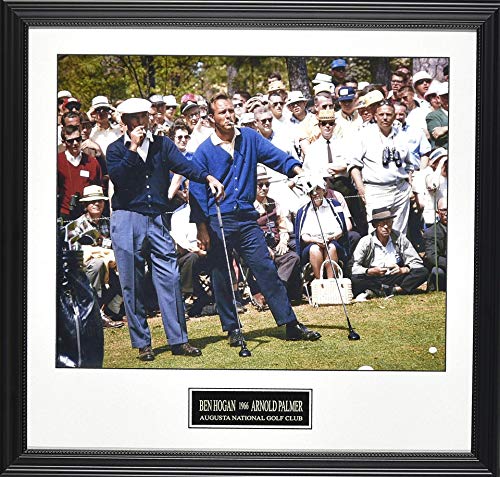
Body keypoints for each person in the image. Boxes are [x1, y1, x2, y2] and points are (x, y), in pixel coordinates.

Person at [189, 93, 321, 347]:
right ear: (211, 118)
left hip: (247, 219)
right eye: (222, 112)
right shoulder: (204, 151)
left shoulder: (248, 138)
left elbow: (276, 156)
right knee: (223, 275)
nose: (228, 116)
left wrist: (299, 171)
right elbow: (196, 192)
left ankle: (290, 324)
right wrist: (201, 227)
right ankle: (232, 329)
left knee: (266, 269)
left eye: (230, 111)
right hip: (219, 220)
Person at [106, 97, 224, 361]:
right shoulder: (115, 150)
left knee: (170, 276)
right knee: (132, 281)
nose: (140, 123)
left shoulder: (162, 144)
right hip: (127, 218)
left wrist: (207, 177)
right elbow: (120, 179)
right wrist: (133, 149)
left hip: (157, 218)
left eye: (143, 117)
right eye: (134, 118)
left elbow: (184, 165)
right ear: (125, 122)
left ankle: (179, 340)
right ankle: (142, 343)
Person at [347, 100, 413, 234]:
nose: (385, 118)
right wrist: (361, 189)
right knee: (378, 231)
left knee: (399, 232)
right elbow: (354, 165)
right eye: (381, 114)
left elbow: (409, 164)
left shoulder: (401, 135)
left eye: (389, 114)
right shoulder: (364, 135)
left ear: (394, 116)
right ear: (375, 116)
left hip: (400, 189)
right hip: (376, 190)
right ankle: (377, 256)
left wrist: (410, 185)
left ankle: (397, 255)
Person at [73, 185, 124, 329]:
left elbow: (117, 244)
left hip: (111, 265)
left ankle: (111, 309)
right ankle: (95, 314)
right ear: (85, 205)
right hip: (85, 268)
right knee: (97, 264)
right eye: (92, 201)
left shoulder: (108, 222)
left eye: (100, 201)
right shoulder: (76, 225)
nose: (96, 204)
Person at [250, 166, 302, 305]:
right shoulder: (248, 206)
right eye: (260, 185)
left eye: (267, 184)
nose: (264, 188)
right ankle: (275, 293)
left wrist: (283, 242)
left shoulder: (274, 203)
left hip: (276, 244)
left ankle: (275, 292)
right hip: (257, 247)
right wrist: (264, 247)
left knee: (293, 256)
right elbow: (249, 231)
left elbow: (283, 227)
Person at [351, 207, 427, 301]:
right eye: (382, 224)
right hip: (374, 277)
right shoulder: (365, 241)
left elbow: (416, 261)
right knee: (355, 279)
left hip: (394, 275)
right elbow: (354, 268)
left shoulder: (399, 237)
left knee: (422, 271)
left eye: (389, 223)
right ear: (375, 225)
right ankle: (381, 289)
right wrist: (370, 271)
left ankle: (392, 290)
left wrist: (403, 269)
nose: (386, 227)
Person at [294, 177, 350, 279]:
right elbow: (303, 235)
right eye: (312, 191)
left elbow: (341, 229)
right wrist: (314, 240)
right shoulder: (303, 211)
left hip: (333, 240)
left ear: (324, 190)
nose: (315, 193)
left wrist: (331, 237)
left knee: (331, 248)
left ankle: (331, 281)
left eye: (318, 189)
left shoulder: (334, 205)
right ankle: (320, 283)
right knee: (315, 249)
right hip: (313, 242)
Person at [57, 125, 103, 220]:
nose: (75, 143)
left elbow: (100, 185)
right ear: (64, 143)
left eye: (78, 139)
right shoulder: (57, 161)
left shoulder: (92, 162)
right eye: (70, 141)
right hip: (64, 212)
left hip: (87, 214)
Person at [423, 197, 447, 292]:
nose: (447, 213)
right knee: (436, 272)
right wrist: (452, 265)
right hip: (444, 267)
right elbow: (432, 257)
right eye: (444, 210)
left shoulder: (464, 229)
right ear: (437, 212)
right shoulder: (431, 232)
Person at [426, 82, 449, 149]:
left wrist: (446, 128)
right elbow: (438, 137)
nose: (448, 99)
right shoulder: (432, 116)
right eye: (445, 96)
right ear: (438, 98)